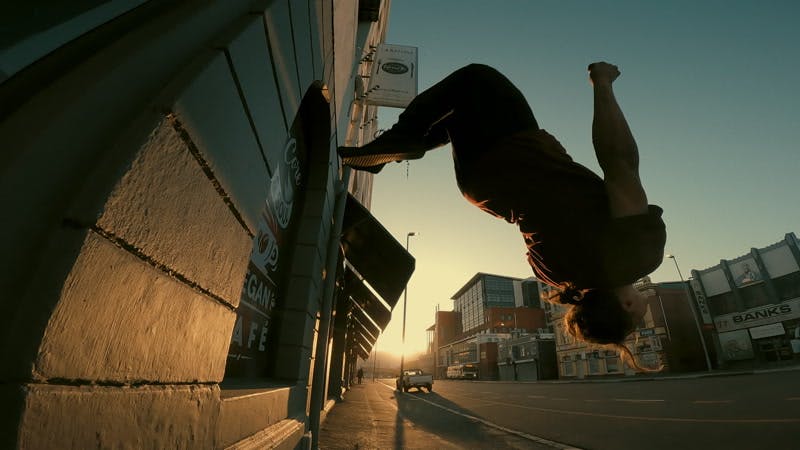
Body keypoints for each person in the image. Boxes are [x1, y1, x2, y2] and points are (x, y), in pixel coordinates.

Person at [339, 62, 666, 370]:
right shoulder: (556, 278)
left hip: (518, 152)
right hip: (481, 186)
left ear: (626, 307)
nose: (646, 308)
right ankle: (410, 143)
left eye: (640, 317)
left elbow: (620, 161)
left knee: (478, 79)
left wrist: (603, 84)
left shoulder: (636, 256)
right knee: (457, 113)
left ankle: (404, 138)